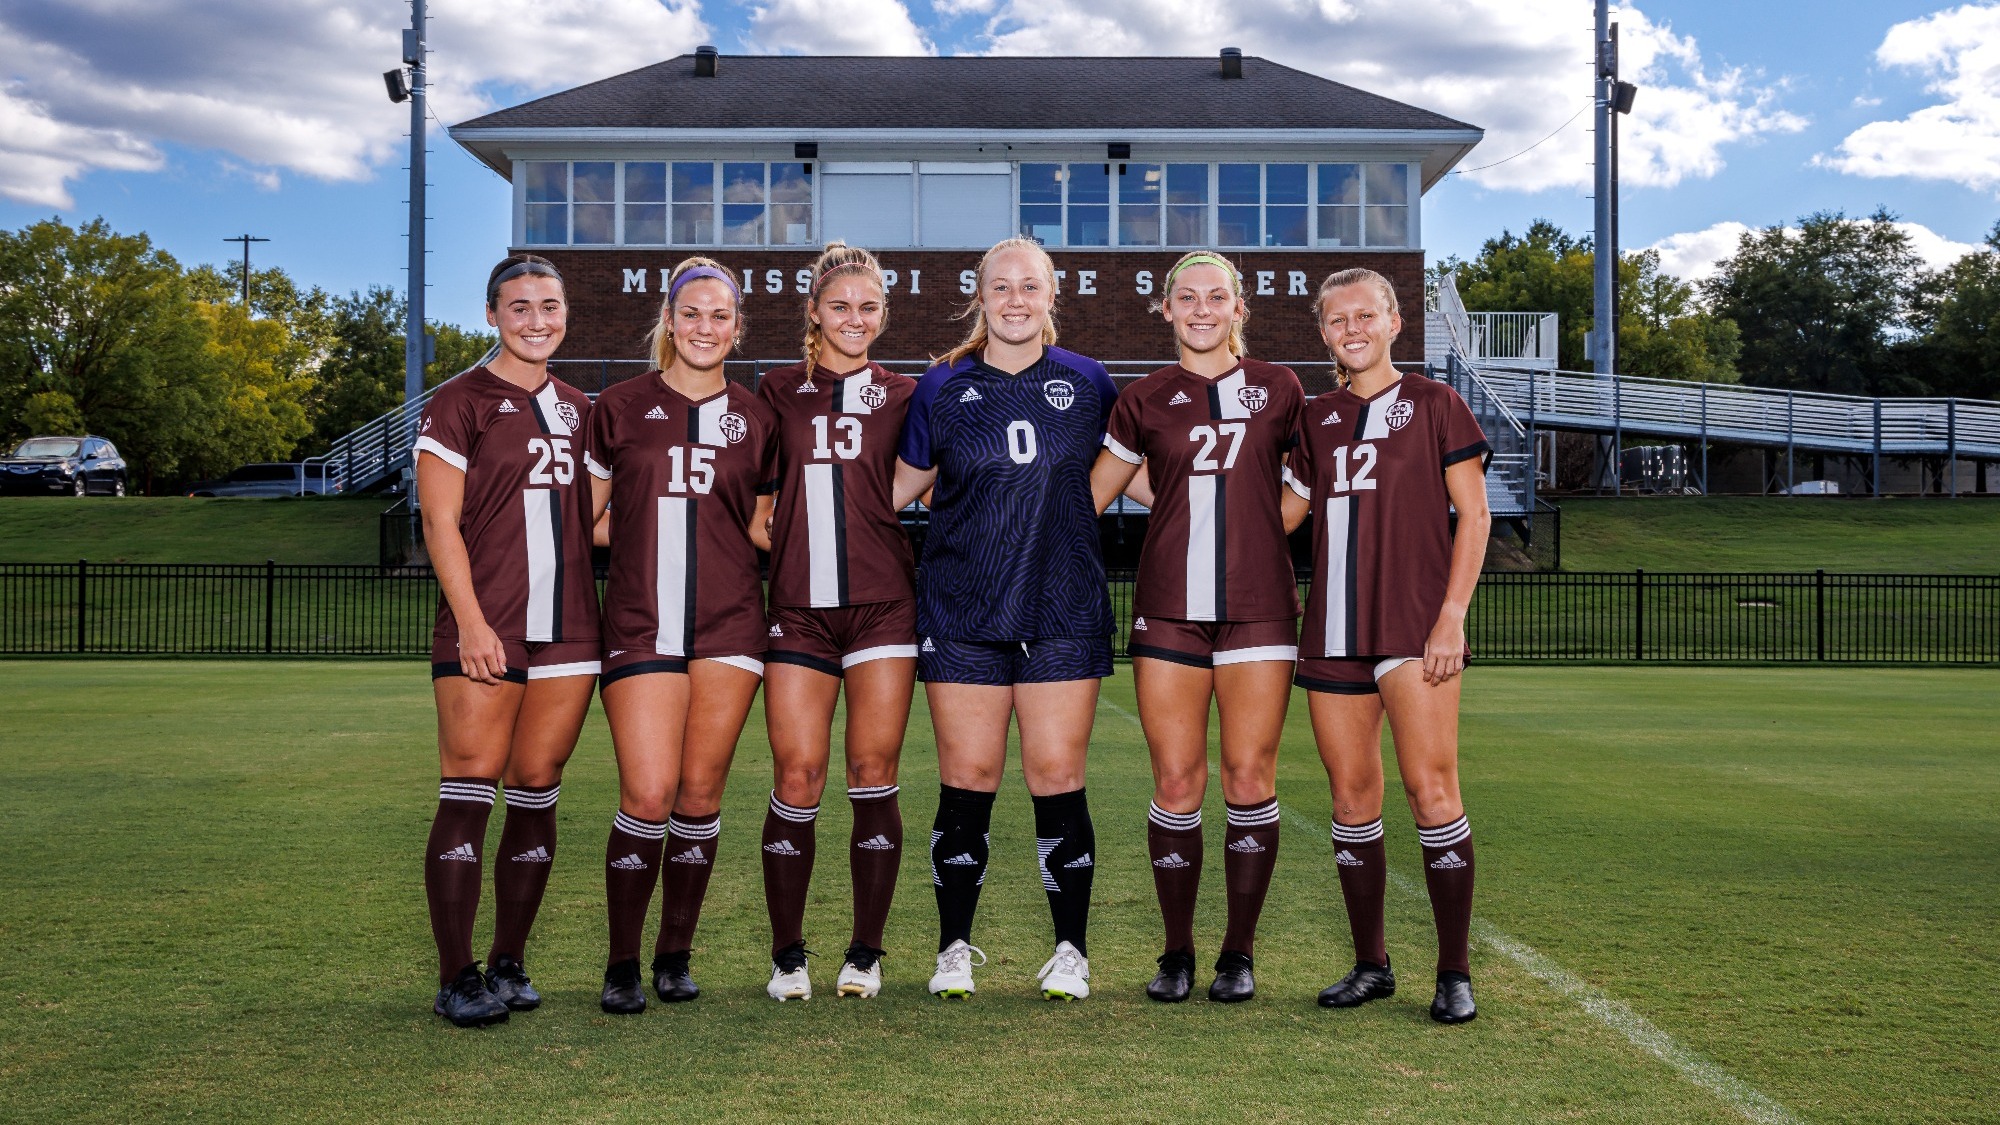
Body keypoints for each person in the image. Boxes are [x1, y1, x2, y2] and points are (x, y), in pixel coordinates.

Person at [892, 237, 1118, 1002]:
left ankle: (1071, 952)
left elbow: (1134, 473)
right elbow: (898, 487)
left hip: (1062, 605)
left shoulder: (1089, 382)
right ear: (978, 295)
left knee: (1057, 775)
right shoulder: (942, 385)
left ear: (1053, 295)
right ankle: (954, 946)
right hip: (963, 606)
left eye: (1031, 286)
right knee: (969, 778)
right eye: (1001, 287)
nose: (1015, 299)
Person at [1089, 251, 1304, 1003]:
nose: (1203, 309)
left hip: (1260, 610)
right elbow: (1091, 493)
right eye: (1189, 298)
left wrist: (1249, 532)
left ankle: (1237, 955)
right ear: (1168, 309)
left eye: (1218, 297)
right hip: (1170, 609)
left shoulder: (1280, 388)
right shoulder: (1143, 398)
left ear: (1239, 308)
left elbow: (1303, 487)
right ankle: (1176, 952)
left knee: (1249, 779)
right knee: (1178, 781)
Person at [1280, 268, 1490, 1023]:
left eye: (1365, 314)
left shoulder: (1438, 404)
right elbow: (1281, 515)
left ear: (1396, 321)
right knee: (1351, 797)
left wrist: (1452, 615)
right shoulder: (1315, 418)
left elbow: (1475, 515)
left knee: (1431, 792)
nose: (1352, 328)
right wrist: (1176, 486)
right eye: (1337, 320)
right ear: (1325, 332)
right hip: (1334, 633)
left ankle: (1454, 971)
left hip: (1413, 626)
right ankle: (1373, 964)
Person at [584, 257, 779, 1014]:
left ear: (737, 326)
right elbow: (589, 517)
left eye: (719, 316)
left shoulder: (756, 418)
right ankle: (622, 962)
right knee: (648, 789)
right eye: (691, 313)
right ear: (669, 320)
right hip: (640, 624)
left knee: (698, 796)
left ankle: (674, 956)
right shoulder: (619, 406)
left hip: (731, 624)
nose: (705, 327)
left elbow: (763, 526)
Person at [413, 254, 601, 1027]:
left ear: (565, 314)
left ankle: (508, 961)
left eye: (548, 306)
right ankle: (457, 975)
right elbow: (438, 522)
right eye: (519, 307)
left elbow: (596, 518)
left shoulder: (580, 407)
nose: (536, 320)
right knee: (471, 784)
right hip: (486, 623)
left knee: (535, 787)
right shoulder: (459, 401)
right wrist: (473, 622)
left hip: (571, 627)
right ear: (492, 314)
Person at [754, 243, 917, 1001]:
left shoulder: (906, 394)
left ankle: (866, 952)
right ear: (814, 312)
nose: (856, 318)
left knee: (872, 772)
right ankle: (788, 956)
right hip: (798, 611)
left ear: (883, 315)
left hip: (883, 605)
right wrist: (789, 542)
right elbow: (754, 506)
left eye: (869, 307)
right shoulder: (775, 391)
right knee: (798, 773)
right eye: (842, 305)